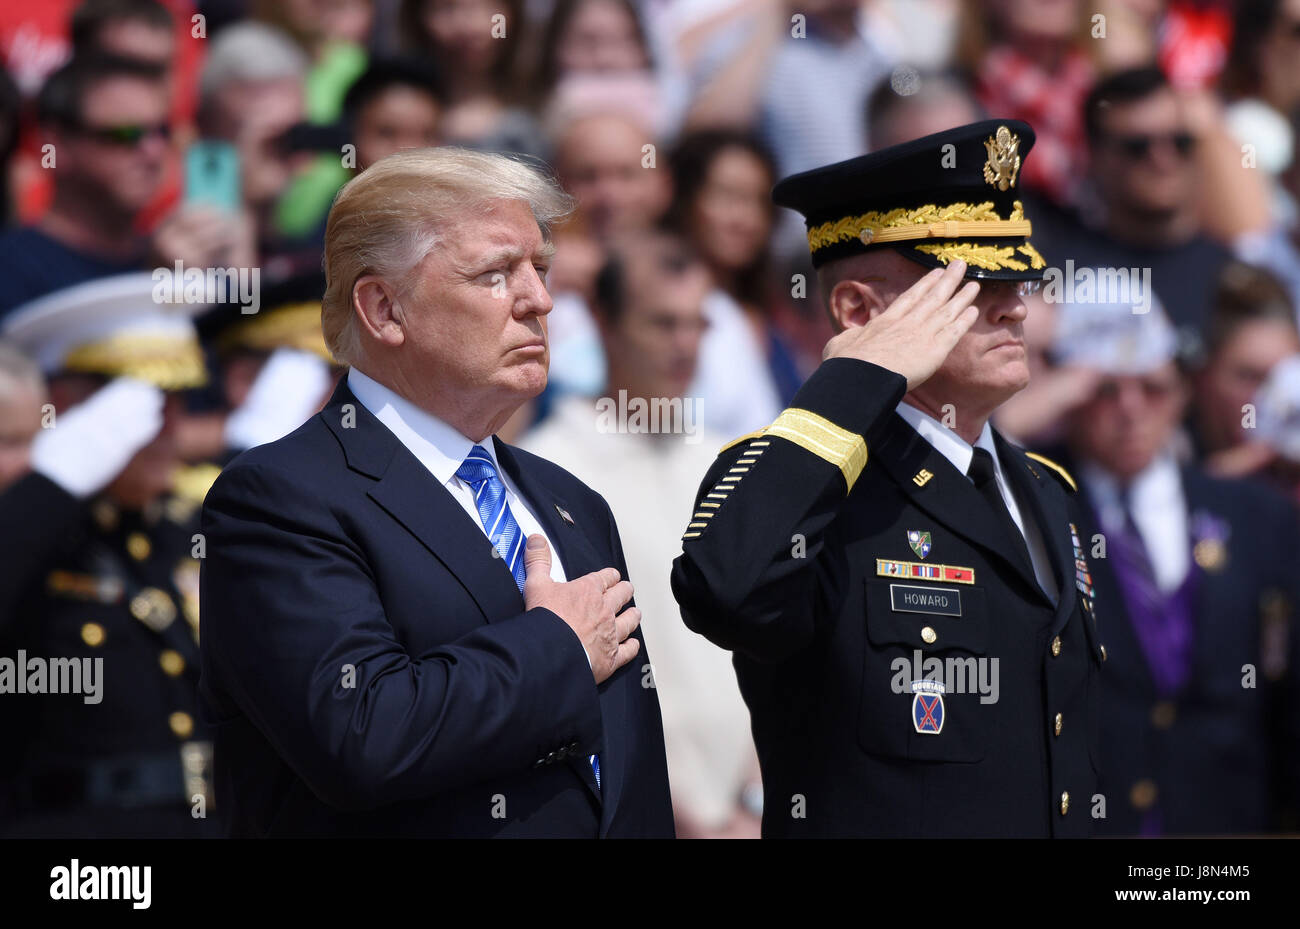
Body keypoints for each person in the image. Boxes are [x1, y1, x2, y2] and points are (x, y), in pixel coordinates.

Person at [198, 148, 674, 838]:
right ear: (385, 308)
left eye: (539, 268)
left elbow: (630, 775)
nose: (538, 299)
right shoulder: (277, 498)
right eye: (495, 273)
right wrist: (554, 647)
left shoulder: (572, 500)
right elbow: (363, 736)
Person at [671, 120, 1103, 838]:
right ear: (859, 310)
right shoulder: (805, 479)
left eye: (1017, 275)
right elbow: (726, 589)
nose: (1014, 303)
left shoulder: (1047, 491)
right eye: (971, 280)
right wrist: (853, 380)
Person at [520, 231, 761, 838]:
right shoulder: (548, 471)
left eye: (696, 324)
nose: (685, 344)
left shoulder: (728, 465)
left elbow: (765, 639)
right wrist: (685, 821)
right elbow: (582, 672)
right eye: (662, 323)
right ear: (602, 321)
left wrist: (756, 800)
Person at [1053, 295, 1300, 835]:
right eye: (1106, 389)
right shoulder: (1040, 512)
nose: (1131, 409)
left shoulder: (1257, 515)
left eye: (1154, 387)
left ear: (1185, 391)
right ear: (1069, 396)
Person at [0, 272, 217, 837]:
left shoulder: (182, 526)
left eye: (176, 398)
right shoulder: (35, 533)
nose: (166, 425)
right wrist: (52, 484)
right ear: (70, 408)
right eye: (142, 405)